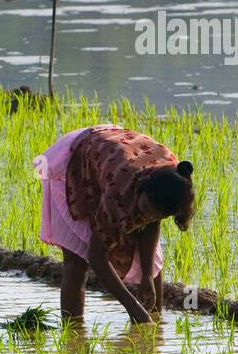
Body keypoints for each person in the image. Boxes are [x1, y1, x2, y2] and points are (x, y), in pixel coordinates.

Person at [37, 124, 195, 326]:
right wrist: (131, 305)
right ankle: (73, 335)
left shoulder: (172, 179)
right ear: (141, 187)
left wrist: (146, 275)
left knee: (153, 269)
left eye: (152, 214)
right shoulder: (118, 192)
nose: (144, 217)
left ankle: (154, 325)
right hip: (78, 161)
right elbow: (97, 256)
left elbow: (151, 222)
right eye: (144, 208)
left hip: (112, 155)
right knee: (77, 262)